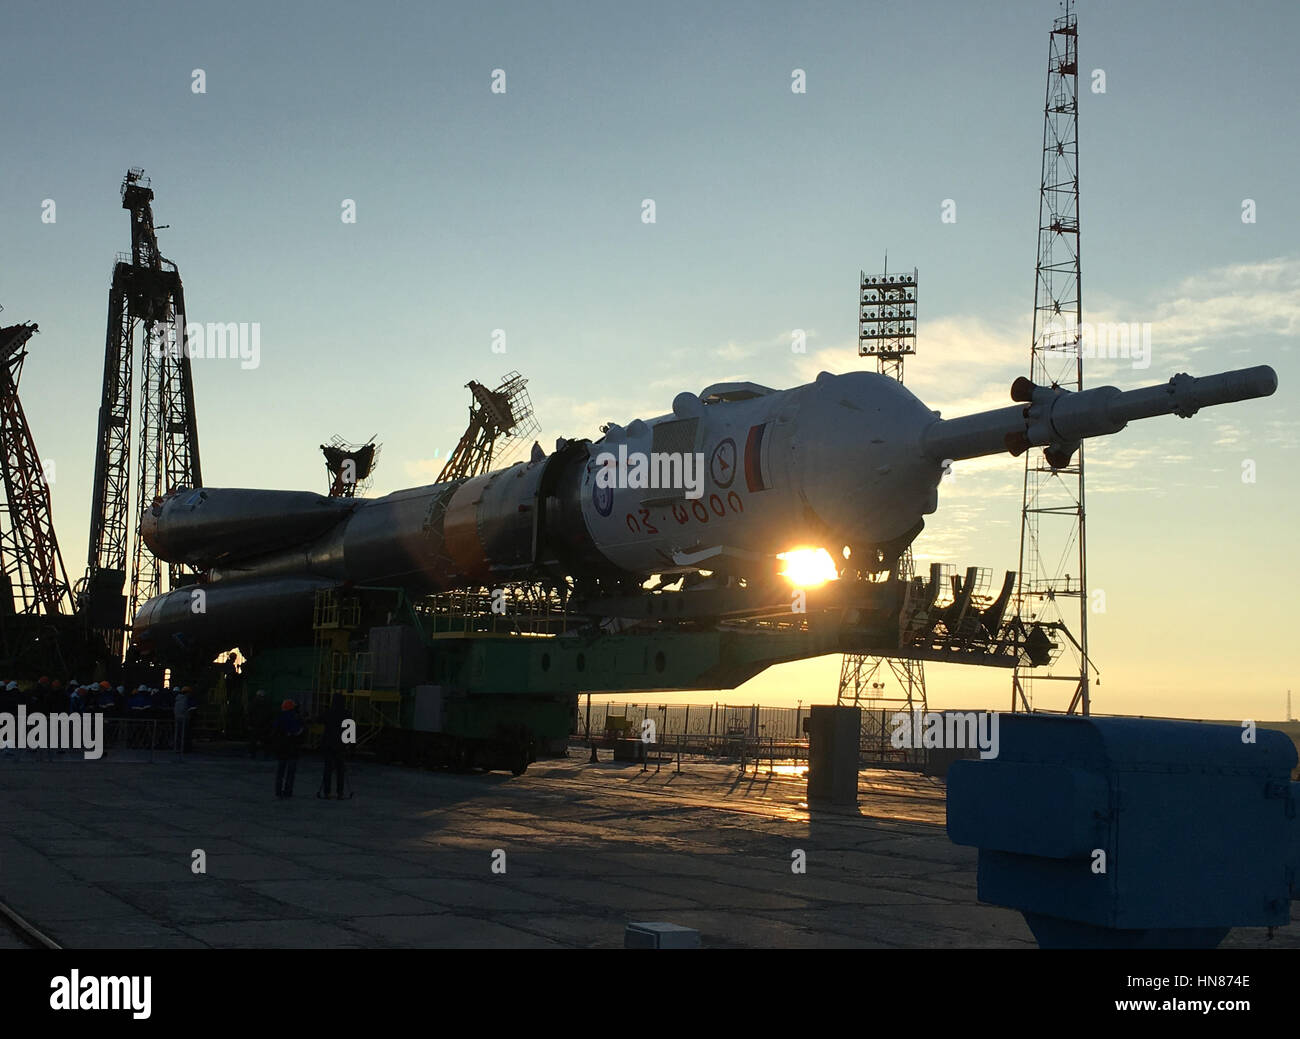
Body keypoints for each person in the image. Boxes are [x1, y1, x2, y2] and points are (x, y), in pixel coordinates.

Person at [317, 693, 352, 800]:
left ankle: (327, 792)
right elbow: (350, 729)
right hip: (341, 745)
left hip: (328, 744)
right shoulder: (346, 713)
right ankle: (340, 793)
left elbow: (319, 719)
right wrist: (350, 745)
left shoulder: (329, 712)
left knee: (328, 769)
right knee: (340, 770)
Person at [272, 699, 305, 798]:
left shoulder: (279, 717)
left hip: (281, 748)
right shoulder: (296, 717)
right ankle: (288, 791)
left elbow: (275, 732)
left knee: (280, 772)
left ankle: (278, 791)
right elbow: (299, 731)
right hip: (293, 748)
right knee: (290, 773)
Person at [247, 689, 273, 759]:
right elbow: (270, 715)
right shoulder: (267, 703)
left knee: (254, 740)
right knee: (265, 740)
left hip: (257, 725)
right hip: (263, 725)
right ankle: (266, 754)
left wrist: (249, 724)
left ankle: (252, 754)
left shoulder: (253, 703)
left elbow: (249, 714)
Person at [172, 686, 190, 756]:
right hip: (183, 719)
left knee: (178, 734)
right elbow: (184, 709)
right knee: (183, 734)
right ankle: (182, 748)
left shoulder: (177, 699)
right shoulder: (185, 700)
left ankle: (177, 748)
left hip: (177, 718)